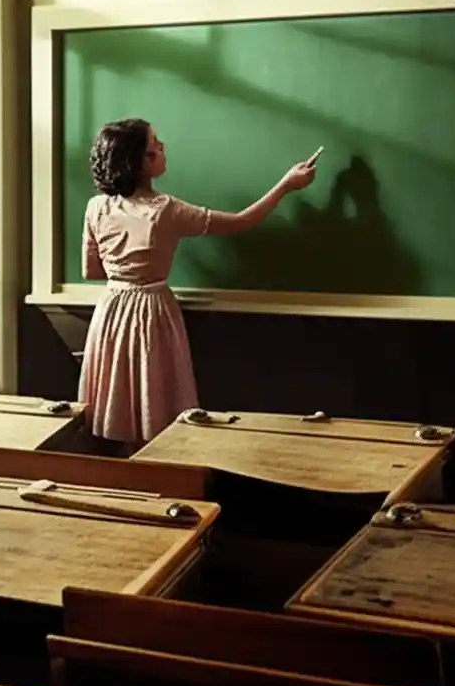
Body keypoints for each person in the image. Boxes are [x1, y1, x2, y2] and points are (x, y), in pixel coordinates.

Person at [78, 118, 318, 449]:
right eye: (155, 145)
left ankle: (126, 478)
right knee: (155, 408)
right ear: (140, 162)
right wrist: (286, 185)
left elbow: (91, 271)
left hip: (110, 312)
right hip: (151, 312)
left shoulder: (96, 208)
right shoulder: (165, 211)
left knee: (119, 404)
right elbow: (240, 222)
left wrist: (127, 271)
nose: (162, 148)